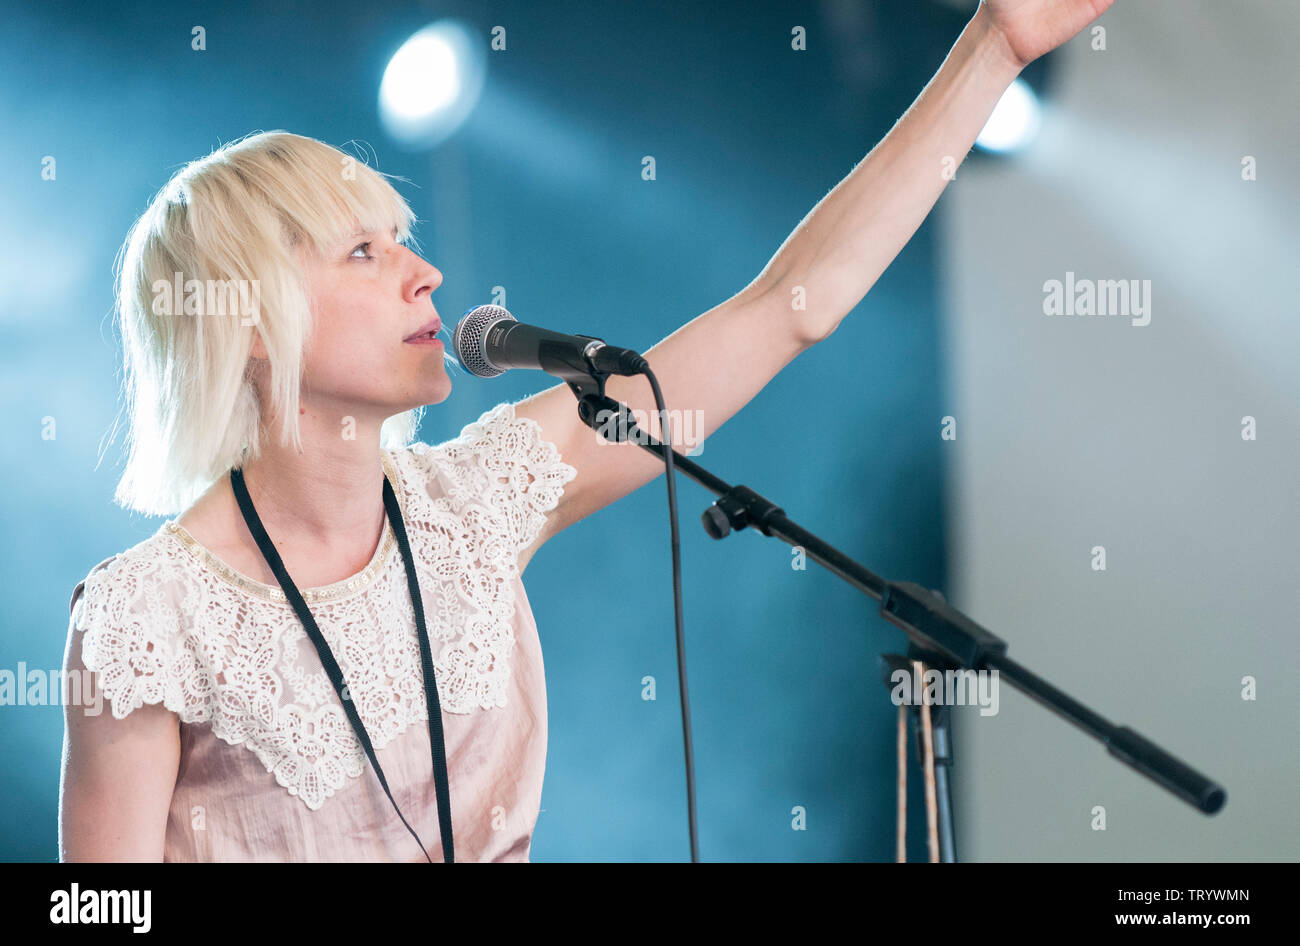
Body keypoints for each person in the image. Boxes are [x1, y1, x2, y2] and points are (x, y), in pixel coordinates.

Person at [58, 0, 1114, 861]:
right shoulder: (144, 612)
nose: (423, 271)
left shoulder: (475, 500)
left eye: (405, 237)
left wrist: (991, 49)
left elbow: (792, 303)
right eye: (361, 254)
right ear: (246, 323)